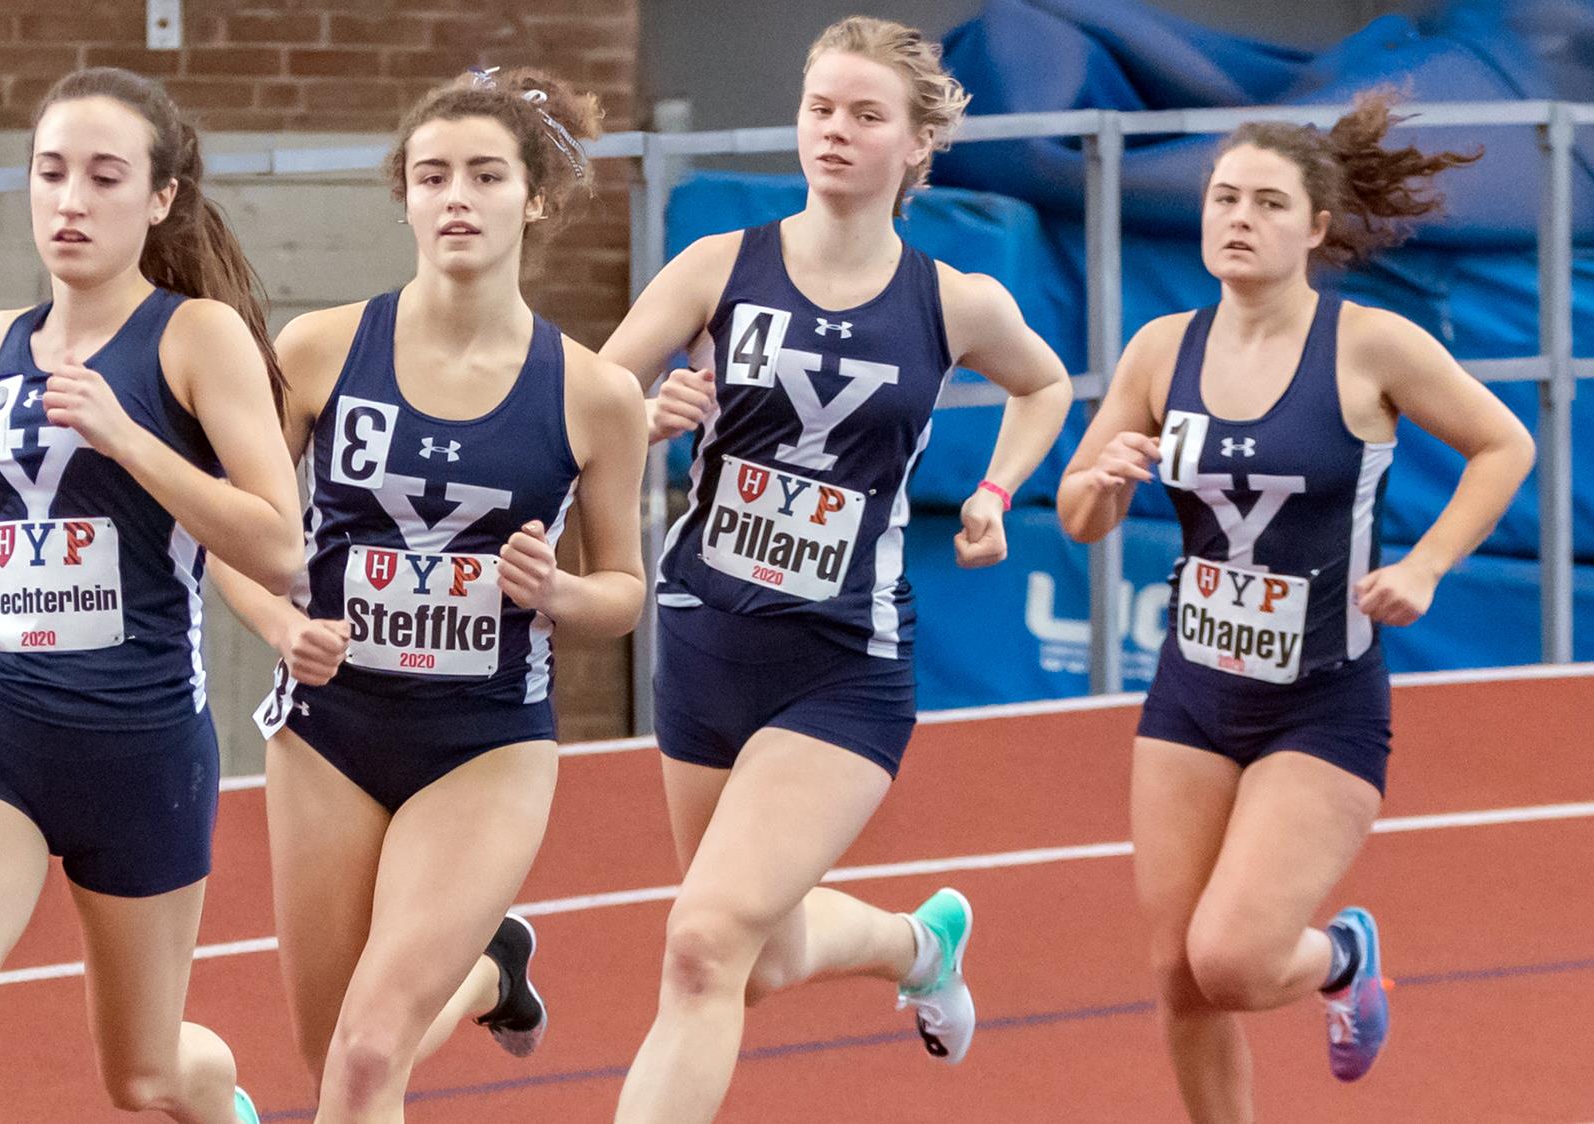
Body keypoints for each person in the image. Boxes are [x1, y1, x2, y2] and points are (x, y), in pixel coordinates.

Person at [601, 17, 1074, 1122]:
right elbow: (585, 400)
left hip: (839, 664)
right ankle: (919, 943)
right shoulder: (719, 265)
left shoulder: (954, 300)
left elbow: (1044, 385)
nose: (836, 132)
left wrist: (997, 494)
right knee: (754, 957)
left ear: (915, 145)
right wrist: (647, 409)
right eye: (821, 109)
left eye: (866, 116)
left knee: (704, 941)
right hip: (708, 638)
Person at [1057, 91, 1532, 1121]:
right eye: (1222, 196)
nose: (1236, 216)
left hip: (1319, 700)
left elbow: (1504, 445)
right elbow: (1076, 516)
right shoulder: (1158, 350)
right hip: (1189, 694)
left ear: (1313, 228)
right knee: (1176, 974)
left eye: (1266, 202)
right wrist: (1104, 482)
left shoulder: (1369, 347)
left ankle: (1342, 953)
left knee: (1228, 958)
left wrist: (1429, 564)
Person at [0, 68, 302, 1124]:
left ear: (158, 198)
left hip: (137, 747)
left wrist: (129, 434)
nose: (70, 199)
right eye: (50, 172)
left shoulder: (196, 339)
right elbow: (33, 508)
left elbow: (277, 543)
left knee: (142, 1076)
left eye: (104, 177)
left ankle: (225, 1103)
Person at [208, 66, 648, 1124]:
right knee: (336, 1056)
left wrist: (556, 591)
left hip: (484, 741)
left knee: (366, 1056)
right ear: (401, 194)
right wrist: (281, 622)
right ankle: (495, 971)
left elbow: (625, 592)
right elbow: (229, 535)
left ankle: (484, 964)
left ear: (534, 198)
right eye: (432, 174)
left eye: (485, 175)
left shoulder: (594, 394)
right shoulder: (316, 350)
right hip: (328, 730)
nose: (456, 196)